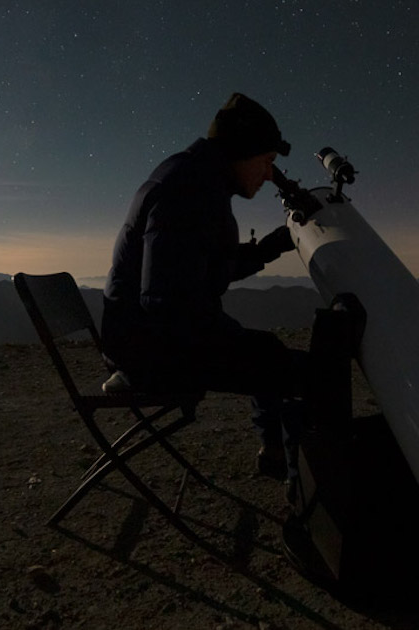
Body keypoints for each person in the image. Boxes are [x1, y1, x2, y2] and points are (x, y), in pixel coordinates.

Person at [100, 93, 309, 482]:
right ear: (241, 152)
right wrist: (225, 339)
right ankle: (310, 499)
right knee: (310, 377)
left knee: (265, 350)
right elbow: (165, 300)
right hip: (152, 353)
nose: (268, 174)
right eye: (266, 162)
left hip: (140, 339)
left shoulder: (192, 176)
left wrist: (270, 247)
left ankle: (276, 453)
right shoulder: (191, 190)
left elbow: (199, 267)